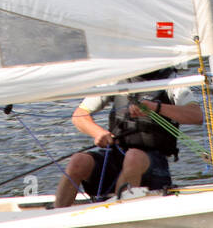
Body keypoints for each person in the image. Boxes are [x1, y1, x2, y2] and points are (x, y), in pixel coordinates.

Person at [53, 71, 203, 207]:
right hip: (116, 158)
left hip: (153, 166)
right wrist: (98, 132)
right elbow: (79, 115)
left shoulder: (173, 83)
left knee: (133, 157)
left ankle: (117, 216)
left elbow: (196, 115)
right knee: (78, 161)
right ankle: (56, 217)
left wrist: (155, 108)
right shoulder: (115, 80)